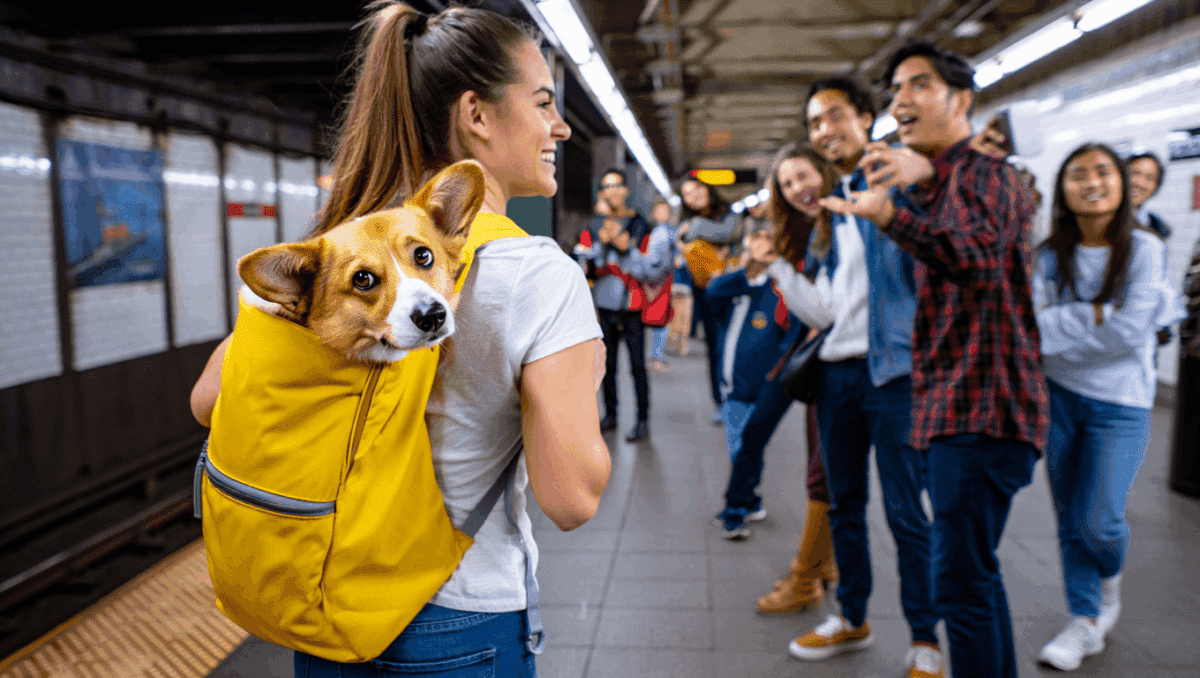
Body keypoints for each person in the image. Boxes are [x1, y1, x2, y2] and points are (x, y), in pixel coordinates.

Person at [190, 4, 611, 676]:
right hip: (461, 624)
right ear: (476, 114)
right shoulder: (536, 272)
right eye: (542, 103)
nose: (558, 126)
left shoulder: (339, 255)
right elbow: (572, 498)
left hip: (328, 608)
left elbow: (209, 401)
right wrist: (584, 376)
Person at [821, 41, 1048, 678]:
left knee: (960, 588)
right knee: (975, 578)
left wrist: (893, 211)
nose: (900, 101)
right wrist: (912, 191)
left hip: (984, 408)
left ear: (961, 99)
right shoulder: (945, 180)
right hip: (957, 406)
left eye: (918, 85)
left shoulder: (988, 175)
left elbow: (972, 257)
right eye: (896, 89)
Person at [752, 86, 938, 673]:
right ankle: (851, 617)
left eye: (835, 115)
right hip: (836, 378)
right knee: (845, 506)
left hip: (893, 374)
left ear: (865, 118)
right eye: (815, 121)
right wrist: (777, 265)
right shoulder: (835, 209)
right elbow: (827, 312)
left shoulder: (898, 183)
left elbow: (931, 264)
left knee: (907, 512)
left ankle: (926, 638)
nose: (825, 127)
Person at [1032, 144, 1185, 670]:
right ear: (1062, 190)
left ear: (1121, 185)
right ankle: (1084, 619)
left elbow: (1131, 332)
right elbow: (1033, 328)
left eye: (1102, 172)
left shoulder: (1144, 248)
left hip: (1121, 403)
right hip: (1059, 398)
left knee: (1100, 521)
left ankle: (1108, 587)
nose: (1090, 182)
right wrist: (1096, 314)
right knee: (1069, 518)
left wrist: (1067, 320)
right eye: (1077, 174)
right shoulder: (1050, 254)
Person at [743, 143, 841, 617]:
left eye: (804, 176)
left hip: (852, 368)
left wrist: (777, 266)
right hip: (827, 367)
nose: (798, 188)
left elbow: (824, 311)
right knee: (827, 471)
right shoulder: (816, 232)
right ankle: (825, 565)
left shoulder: (840, 228)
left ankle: (806, 576)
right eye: (787, 183)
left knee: (825, 474)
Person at [706, 217, 802, 539]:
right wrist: (746, 268)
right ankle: (749, 499)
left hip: (763, 389)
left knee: (746, 447)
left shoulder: (779, 292)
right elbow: (713, 290)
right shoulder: (737, 287)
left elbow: (789, 334)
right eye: (756, 240)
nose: (761, 246)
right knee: (743, 448)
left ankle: (737, 507)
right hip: (733, 389)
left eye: (767, 240)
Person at [575, 169, 654, 442]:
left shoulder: (640, 224)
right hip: (605, 305)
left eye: (618, 185)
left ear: (626, 190)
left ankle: (643, 419)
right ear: (602, 193)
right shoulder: (592, 227)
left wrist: (623, 247)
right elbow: (585, 266)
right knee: (607, 365)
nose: (614, 190)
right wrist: (600, 247)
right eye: (608, 186)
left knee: (637, 365)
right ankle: (611, 415)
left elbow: (649, 268)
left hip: (632, 304)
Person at [677, 177, 740, 424]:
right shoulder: (686, 221)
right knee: (715, 348)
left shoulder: (729, 213)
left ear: (707, 188)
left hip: (734, 289)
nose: (694, 195)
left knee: (736, 344)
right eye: (687, 194)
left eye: (696, 189)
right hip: (706, 291)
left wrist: (695, 229)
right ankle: (720, 401)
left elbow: (730, 231)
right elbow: (680, 242)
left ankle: (738, 395)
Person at [647, 199, 679, 373]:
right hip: (658, 280)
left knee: (662, 318)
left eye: (665, 210)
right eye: (660, 210)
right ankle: (656, 355)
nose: (663, 214)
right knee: (659, 319)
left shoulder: (667, 232)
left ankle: (657, 355)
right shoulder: (659, 233)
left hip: (664, 279)